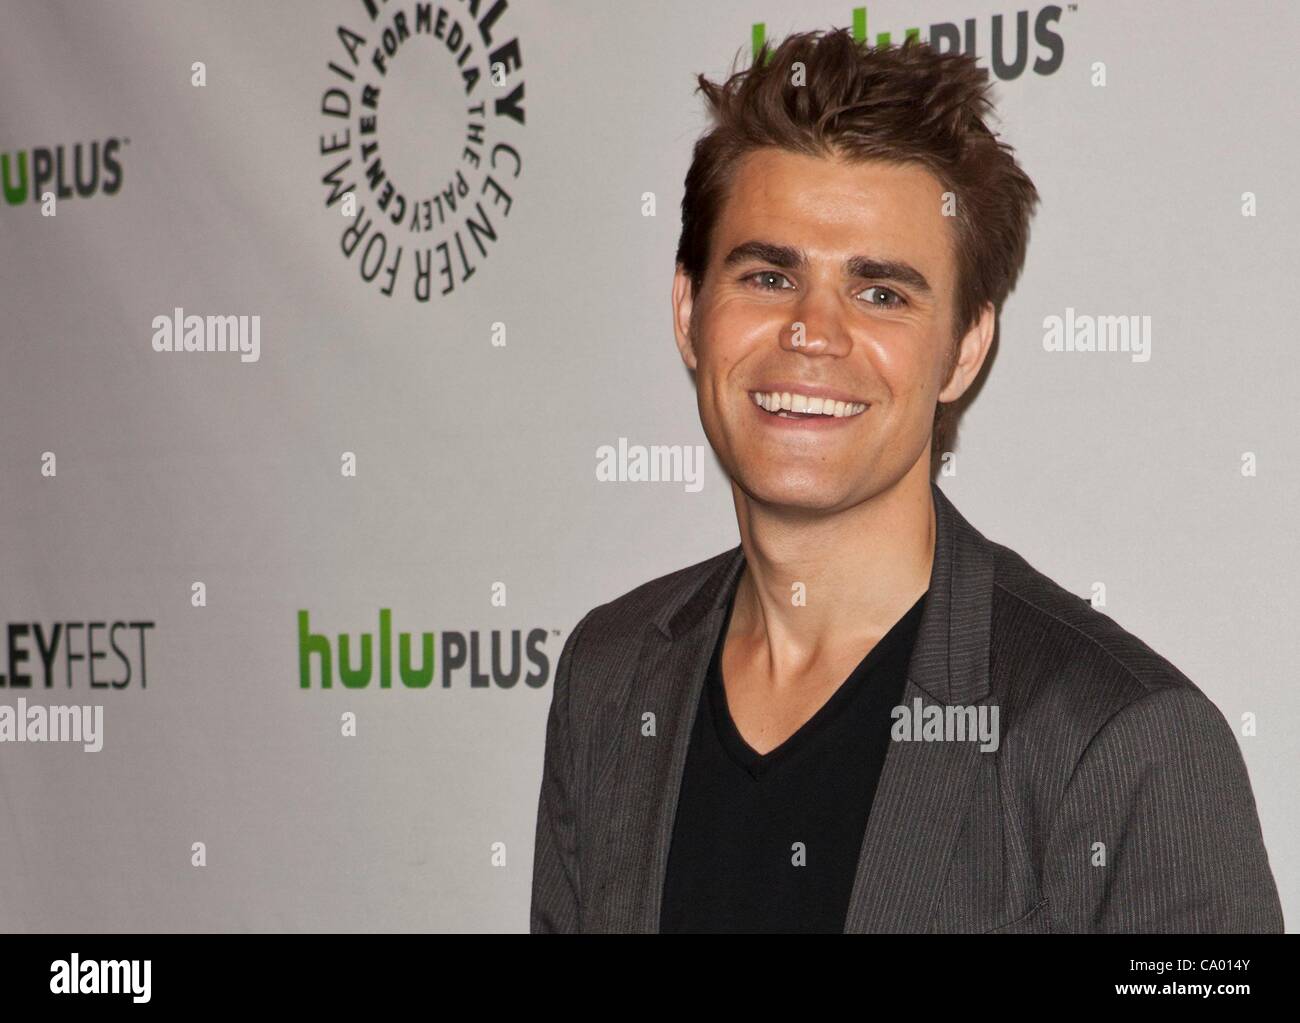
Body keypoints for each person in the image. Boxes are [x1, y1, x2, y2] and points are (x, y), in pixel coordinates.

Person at [530, 29, 1283, 933]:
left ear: (965, 348)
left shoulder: (1123, 742)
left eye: (881, 292)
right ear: (691, 313)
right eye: (770, 275)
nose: (814, 332)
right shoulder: (610, 682)